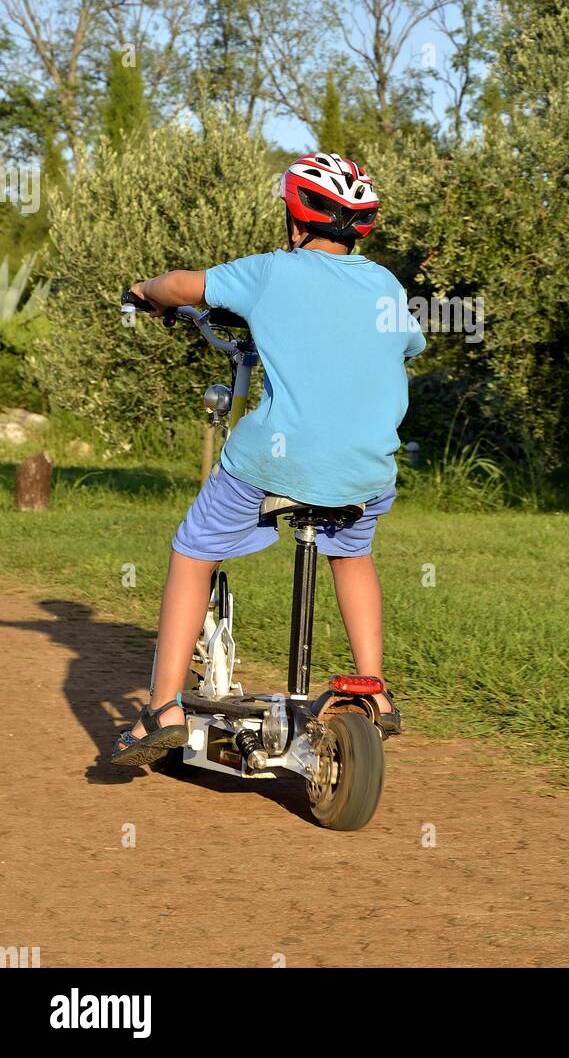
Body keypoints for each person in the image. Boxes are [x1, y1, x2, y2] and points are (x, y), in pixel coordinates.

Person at [111, 152, 426, 766]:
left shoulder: (271, 273)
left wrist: (145, 293)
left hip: (280, 462)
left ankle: (163, 709)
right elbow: (405, 344)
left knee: (193, 548)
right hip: (366, 467)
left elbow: (183, 286)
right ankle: (376, 691)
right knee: (352, 552)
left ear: (296, 218)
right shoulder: (385, 283)